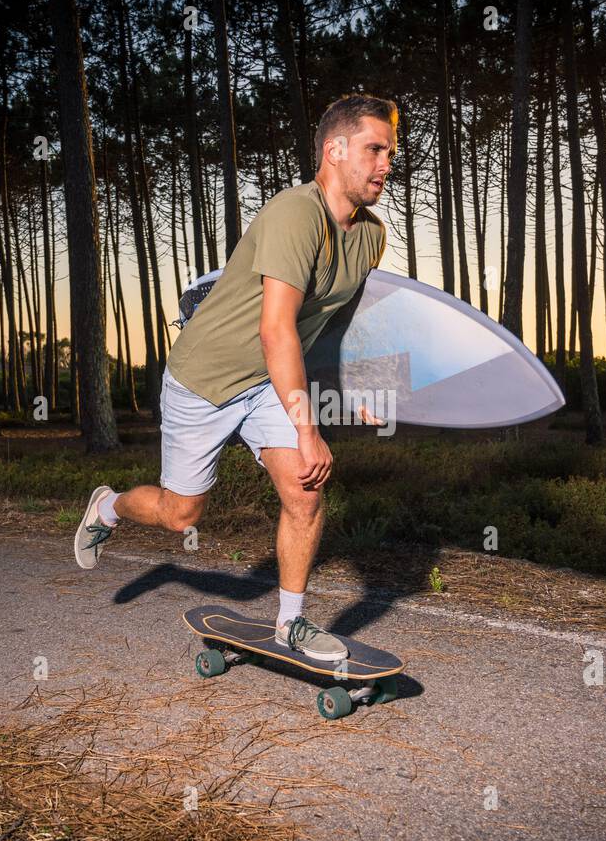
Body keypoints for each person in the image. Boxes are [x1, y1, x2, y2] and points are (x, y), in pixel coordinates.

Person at [75, 93, 396, 663]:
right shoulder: (294, 213)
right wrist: (308, 427)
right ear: (334, 149)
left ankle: (290, 625)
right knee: (181, 515)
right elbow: (277, 330)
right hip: (207, 378)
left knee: (305, 489)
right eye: (375, 150)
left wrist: (358, 380)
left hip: (271, 381)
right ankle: (110, 506)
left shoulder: (370, 236)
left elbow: (336, 322)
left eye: (390, 152)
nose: (386, 164)